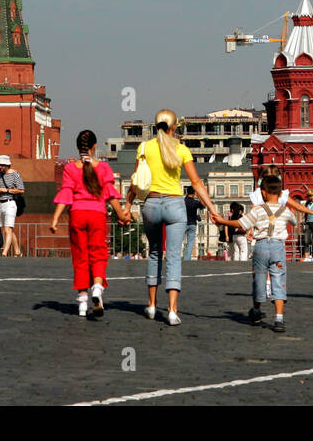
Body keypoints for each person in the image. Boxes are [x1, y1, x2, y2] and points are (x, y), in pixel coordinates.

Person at [125, 109, 218, 326]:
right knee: (174, 257)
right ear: (174, 127)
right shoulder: (182, 149)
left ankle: (150, 305)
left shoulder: (144, 147)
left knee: (155, 253)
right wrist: (212, 208)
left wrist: (128, 207)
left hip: (151, 205)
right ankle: (173, 310)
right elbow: (196, 183)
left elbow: (136, 181)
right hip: (176, 205)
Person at [213, 168, 313, 332]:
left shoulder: (258, 210)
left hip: (261, 247)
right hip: (278, 247)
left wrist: (222, 221)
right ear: (280, 193)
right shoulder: (285, 210)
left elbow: (242, 223)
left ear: (263, 192)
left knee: (259, 278)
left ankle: (256, 310)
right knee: (279, 280)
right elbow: (294, 221)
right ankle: (279, 318)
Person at [51, 130, 132, 317]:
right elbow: (110, 196)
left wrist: (55, 219)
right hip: (97, 215)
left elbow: (66, 195)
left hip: (77, 214)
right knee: (98, 253)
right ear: (95, 147)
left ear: (78, 147)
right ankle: (97, 287)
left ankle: (82, 302)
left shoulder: (70, 169)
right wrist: (122, 214)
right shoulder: (103, 168)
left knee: (80, 256)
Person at [0, 154, 25, 257]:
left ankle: (4, 252)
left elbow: (22, 190)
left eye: (2, 165)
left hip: (10, 203)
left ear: (7, 165)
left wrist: (7, 190)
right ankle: (17, 251)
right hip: (0, 203)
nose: (0, 167)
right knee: (7, 228)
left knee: (7, 229)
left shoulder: (15, 174)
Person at [182, 185, 203, 260]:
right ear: (194, 193)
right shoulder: (195, 202)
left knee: (179, 241)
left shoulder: (183, 201)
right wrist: (199, 196)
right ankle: (187, 259)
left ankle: (176, 257)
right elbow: (202, 205)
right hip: (192, 224)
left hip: (183, 223)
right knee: (190, 243)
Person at [299, 192, 313, 261]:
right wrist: (302, 220)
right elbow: (305, 213)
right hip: (308, 223)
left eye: (312, 196)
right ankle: (307, 256)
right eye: (309, 196)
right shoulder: (307, 204)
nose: (311, 197)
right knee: (306, 240)